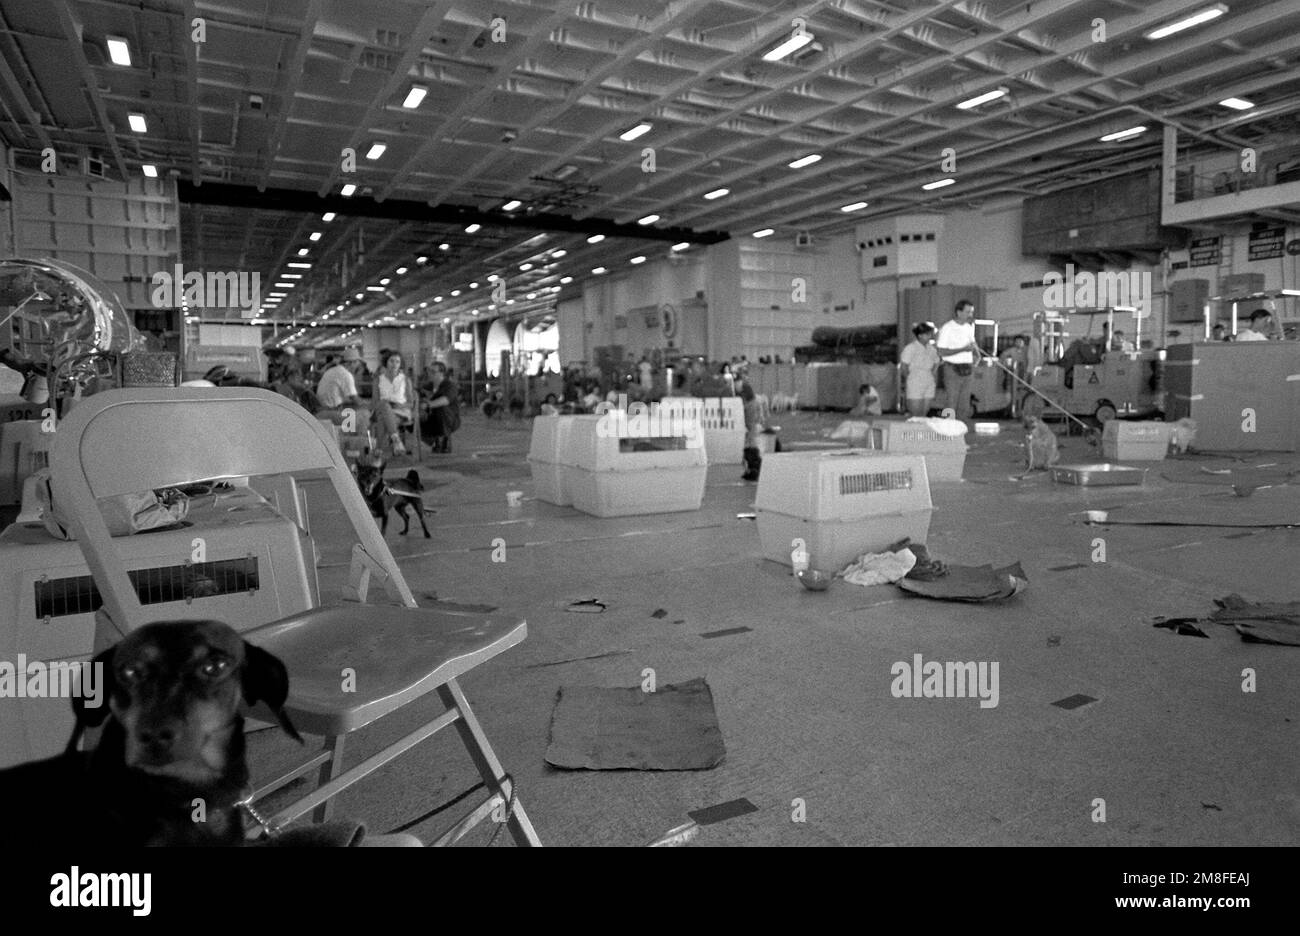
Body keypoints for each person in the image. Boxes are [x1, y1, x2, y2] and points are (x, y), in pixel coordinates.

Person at [935, 300, 979, 421]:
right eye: (968, 312)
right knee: (951, 402)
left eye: (971, 312)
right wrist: (963, 349)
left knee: (964, 403)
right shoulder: (947, 328)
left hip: (968, 369)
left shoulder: (969, 327)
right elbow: (941, 351)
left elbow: (973, 344)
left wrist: (977, 354)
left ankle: (960, 431)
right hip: (952, 369)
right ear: (959, 312)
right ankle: (947, 430)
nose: (970, 315)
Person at [316, 347, 368, 427]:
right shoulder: (346, 374)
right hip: (332, 413)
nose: (358, 367)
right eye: (357, 363)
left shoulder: (333, 370)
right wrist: (370, 405)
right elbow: (355, 399)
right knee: (364, 414)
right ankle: (355, 438)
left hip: (322, 411)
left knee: (356, 411)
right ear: (352, 363)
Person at [375, 350, 414, 456]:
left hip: (401, 411)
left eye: (397, 361)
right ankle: (396, 440)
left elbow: (411, 403)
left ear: (401, 364)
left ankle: (378, 450)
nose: (394, 364)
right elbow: (375, 401)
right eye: (391, 361)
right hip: (382, 409)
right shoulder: (378, 380)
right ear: (386, 362)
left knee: (382, 419)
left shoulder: (406, 380)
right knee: (384, 405)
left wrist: (399, 405)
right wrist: (385, 405)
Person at [900, 321, 941, 418]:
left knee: (924, 412)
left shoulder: (931, 349)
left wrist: (933, 374)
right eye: (927, 334)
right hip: (915, 379)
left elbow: (937, 362)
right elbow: (904, 366)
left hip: (928, 379)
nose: (930, 336)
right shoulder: (910, 348)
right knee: (915, 413)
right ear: (920, 335)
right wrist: (910, 378)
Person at [422, 361, 459, 453]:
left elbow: (446, 400)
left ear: (441, 373)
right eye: (429, 371)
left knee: (441, 408)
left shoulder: (450, 385)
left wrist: (428, 404)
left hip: (449, 418)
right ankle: (433, 439)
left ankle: (444, 439)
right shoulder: (427, 386)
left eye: (433, 372)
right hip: (431, 417)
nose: (430, 374)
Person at [738, 377, 763, 482]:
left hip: (751, 429)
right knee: (752, 448)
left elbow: (748, 419)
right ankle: (753, 470)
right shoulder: (755, 400)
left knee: (750, 449)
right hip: (754, 428)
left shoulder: (748, 404)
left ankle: (753, 471)